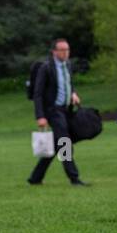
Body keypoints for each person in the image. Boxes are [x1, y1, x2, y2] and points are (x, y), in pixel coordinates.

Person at [28, 38, 87, 187]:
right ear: (54, 51)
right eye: (62, 50)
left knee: (55, 145)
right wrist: (40, 116)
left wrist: (73, 94)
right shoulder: (46, 67)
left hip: (66, 110)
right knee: (65, 142)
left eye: (67, 49)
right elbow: (38, 94)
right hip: (53, 111)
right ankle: (74, 178)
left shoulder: (67, 65)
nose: (65, 52)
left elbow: (68, 85)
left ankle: (35, 178)